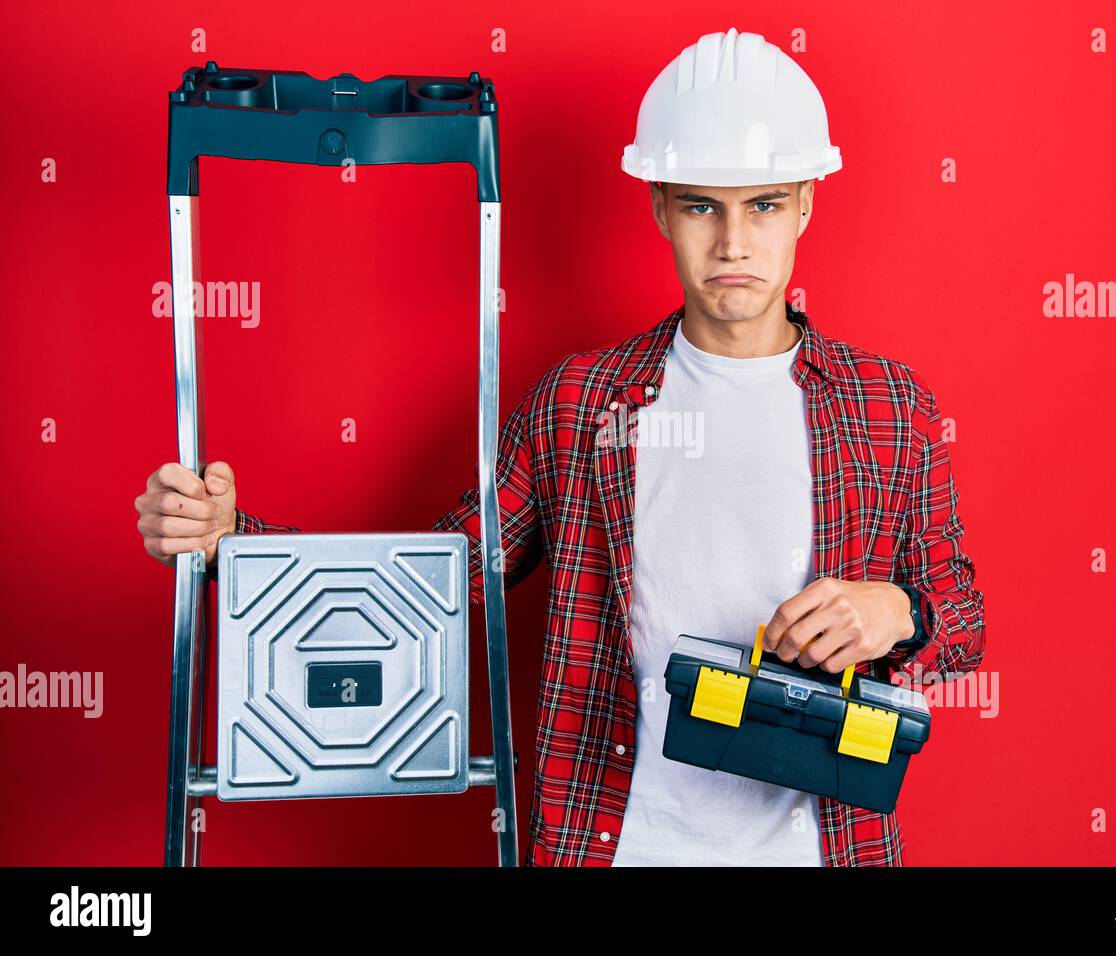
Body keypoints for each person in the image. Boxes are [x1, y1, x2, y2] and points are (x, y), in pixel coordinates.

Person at [134, 27, 985, 866]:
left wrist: (895, 613)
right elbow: (441, 578)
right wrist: (229, 541)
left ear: (804, 201)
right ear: (659, 205)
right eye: (701, 206)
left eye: (762, 205)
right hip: (616, 845)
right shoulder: (579, 404)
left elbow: (965, 619)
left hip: (823, 848)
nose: (733, 243)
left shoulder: (889, 407)